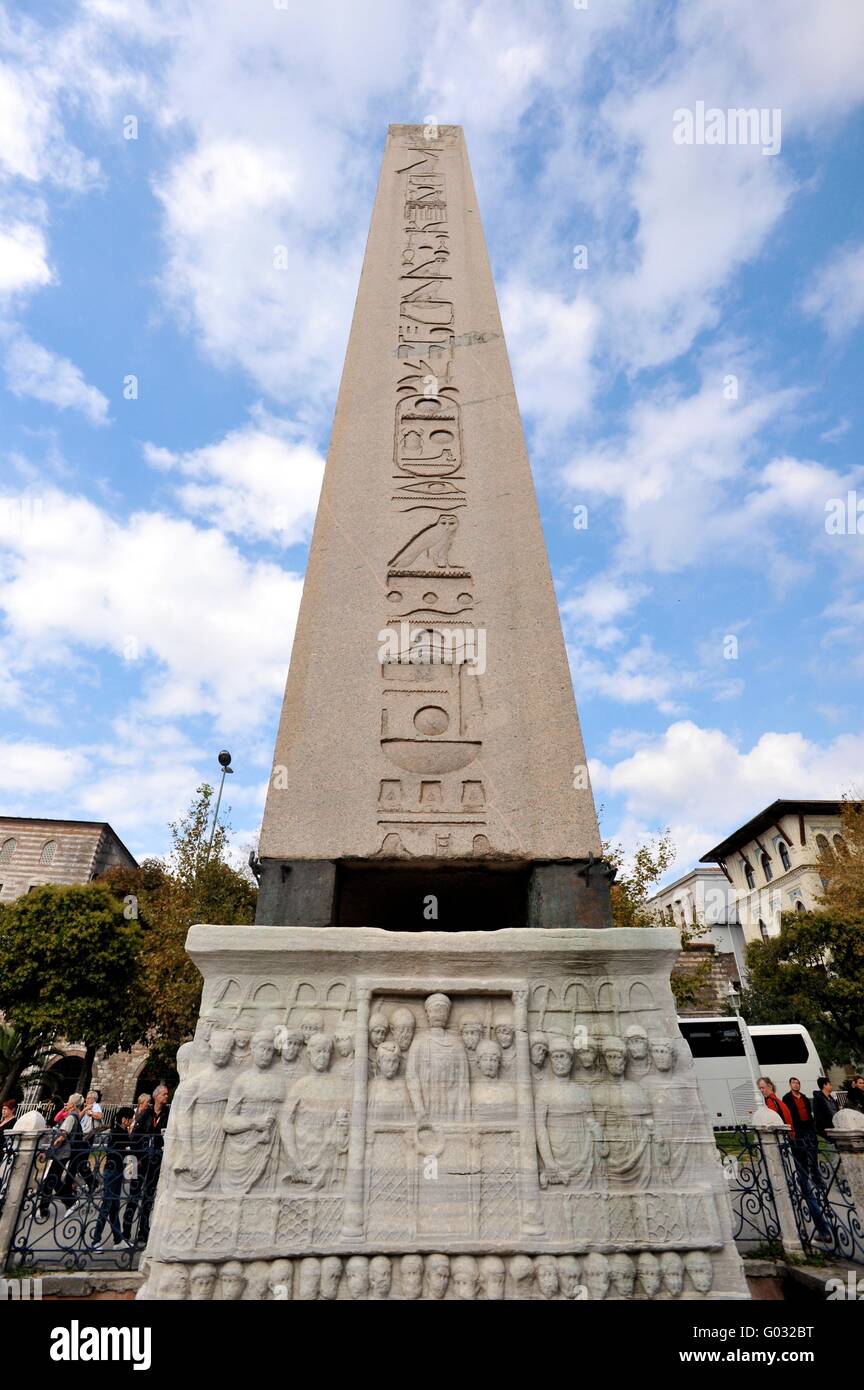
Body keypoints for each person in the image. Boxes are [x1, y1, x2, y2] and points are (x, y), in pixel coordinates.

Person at [92, 1107, 134, 1251]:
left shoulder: (118, 1131)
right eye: (131, 1118)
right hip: (112, 1170)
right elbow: (129, 1147)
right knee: (107, 1205)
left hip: (116, 1170)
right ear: (124, 1119)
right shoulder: (118, 1132)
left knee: (114, 1206)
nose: (132, 1121)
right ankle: (95, 1240)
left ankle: (118, 1239)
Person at [38, 1093, 86, 1218]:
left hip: (62, 1152)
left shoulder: (71, 1117)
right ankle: (45, 1208)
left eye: (68, 1102)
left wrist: (49, 1151)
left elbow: (62, 1136)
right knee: (53, 1179)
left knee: (51, 1179)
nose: (66, 1104)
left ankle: (69, 1202)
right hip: (65, 1152)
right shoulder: (73, 1116)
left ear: (73, 1104)